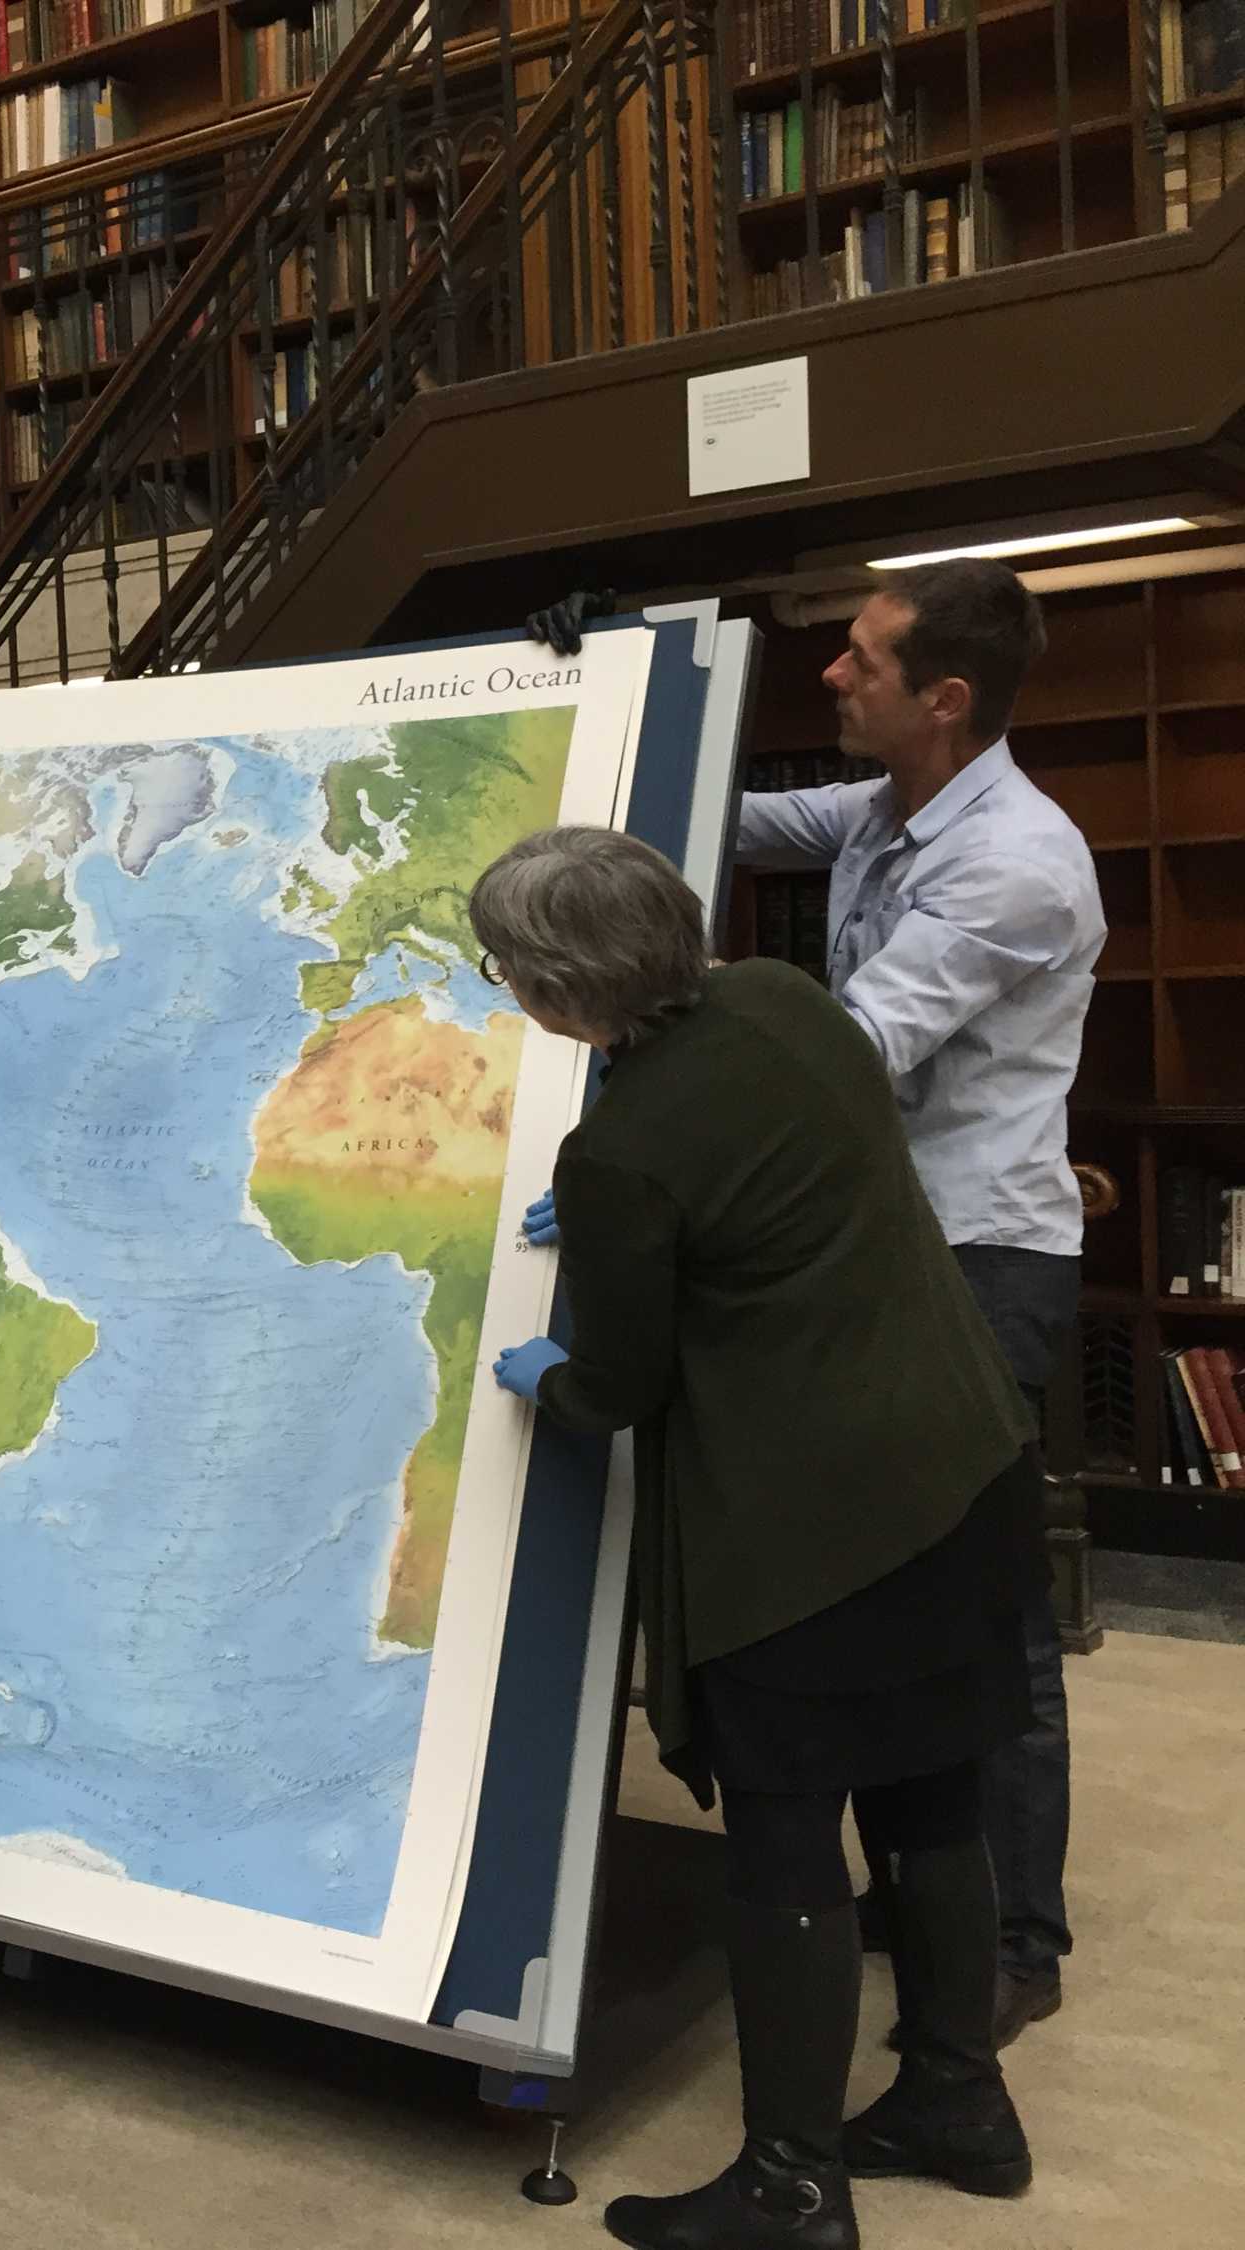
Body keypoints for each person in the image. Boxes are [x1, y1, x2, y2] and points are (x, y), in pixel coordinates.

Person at [537, 564, 1103, 2045]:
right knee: (886, 1610)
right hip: (854, 1244)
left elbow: (845, 1054)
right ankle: (913, 1900)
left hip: (973, 1254)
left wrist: (646, 1153)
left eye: (857, 661)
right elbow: (701, 819)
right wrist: (587, 699)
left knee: (982, 1621)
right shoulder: (883, 813)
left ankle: (1014, 1940)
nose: (831, 679)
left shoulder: (1017, 863)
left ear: (947, 697)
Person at [479, 827, 1044, 2250]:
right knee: (931, 1802)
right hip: (961, 1470)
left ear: (556, 991)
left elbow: (616, 1386)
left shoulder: (622, 1149)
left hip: (811, 1536)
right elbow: (767, 1175)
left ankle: (794, 2186)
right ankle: (958, 2100)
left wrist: (542, 1364)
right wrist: (622, 1210)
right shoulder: (789, 1001)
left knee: (787, 1846)